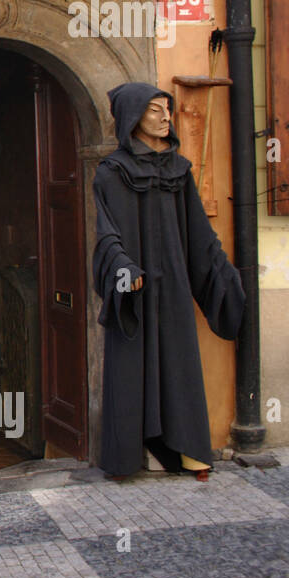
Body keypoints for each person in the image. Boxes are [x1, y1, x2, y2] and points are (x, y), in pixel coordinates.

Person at [92, 83, 245, 480]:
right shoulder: (111, 172)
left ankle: (190, 451)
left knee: (179, 366)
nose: (165, 118)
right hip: (135, 292)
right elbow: (106, 233)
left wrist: (223, 272)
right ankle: (126, 458)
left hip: (173, 288)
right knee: (130, 368)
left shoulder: (179, 170)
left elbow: (197, 233)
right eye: (154, 110)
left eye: (167, 110)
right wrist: (123, 269)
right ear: (132, 117)